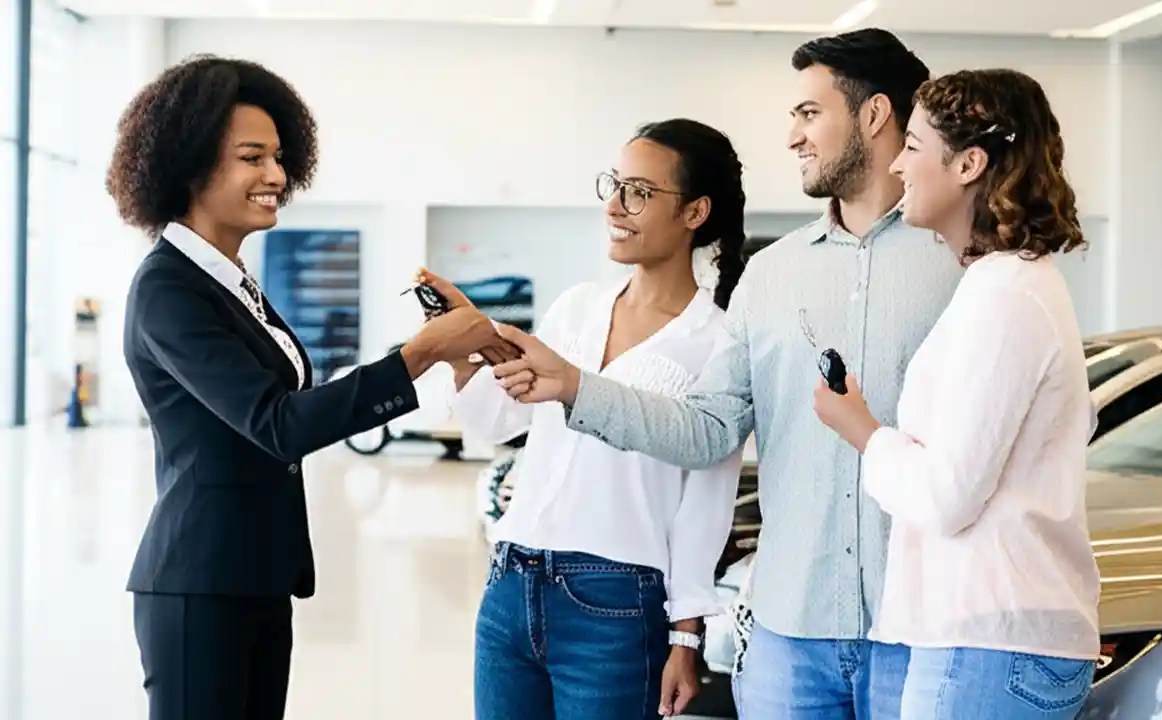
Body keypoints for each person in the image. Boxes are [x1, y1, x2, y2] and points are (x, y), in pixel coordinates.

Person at [481, 29, 965, 718]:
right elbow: (709, 432)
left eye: (808, 113)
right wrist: (574, 386)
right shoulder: (771, 276)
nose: (793, 136)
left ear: (875, 115)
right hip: (786, 637)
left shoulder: (960, 263)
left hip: (919, 628)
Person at [108, 55, 514, 720]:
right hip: (201, 583)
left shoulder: (227, 281)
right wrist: (418, 357)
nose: (276, 176)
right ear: (188, 165)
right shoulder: (168, 288)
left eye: (277, 156)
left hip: (254, 574)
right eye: (251, 157)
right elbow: (277, 423)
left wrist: (438, 354)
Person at [425, 118, 746, 719]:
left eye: (640, 193)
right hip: (510, 581)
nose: (615, 206)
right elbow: (500, 424)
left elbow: (706, 499)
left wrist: (686, 634)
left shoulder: (719, 341)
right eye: (615, 185)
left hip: (617, 603)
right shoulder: (577, 308)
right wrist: (465, 352)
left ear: (696, 212)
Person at [812, 69, 1101, 719]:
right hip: (988, 642)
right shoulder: (1003, 288)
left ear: (969, 163)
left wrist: (861, 430)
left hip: (988, 647)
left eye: (912, 147)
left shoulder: (1006, 296)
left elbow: (947, 497)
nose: (899, 169)